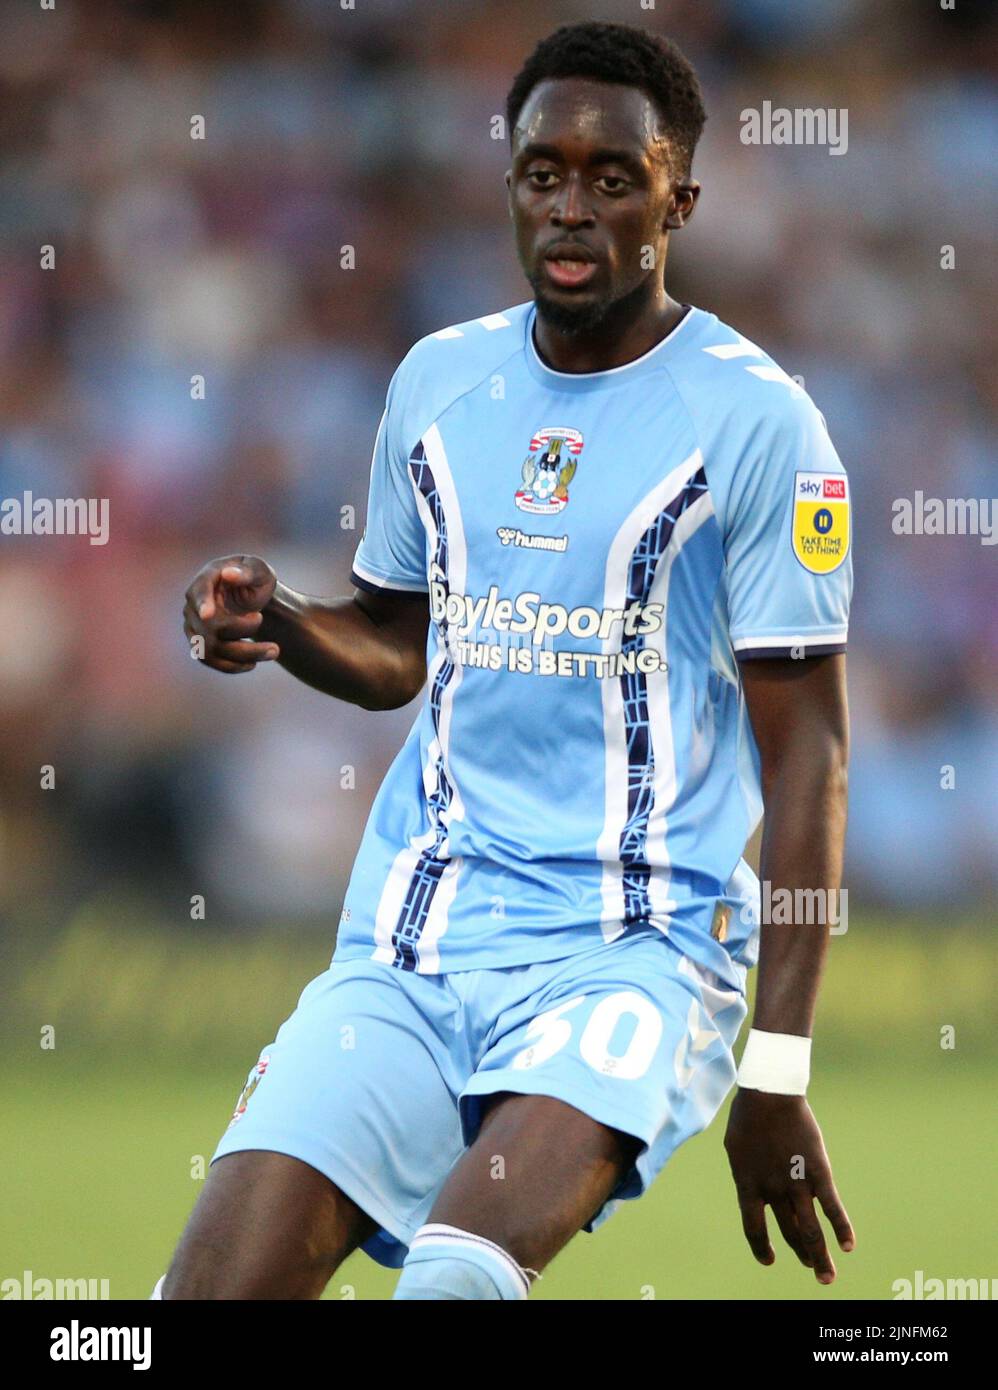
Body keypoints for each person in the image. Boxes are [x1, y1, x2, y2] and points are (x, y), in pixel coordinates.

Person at [162, 20, 854, 1301]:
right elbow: (398, 649)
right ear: (511, 187)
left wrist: (777, 1069)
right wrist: (281, 623)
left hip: (633, 945)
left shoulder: (759, 422)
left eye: (612, 178)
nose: (571, 209)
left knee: (454, 1281)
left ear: (676, 198)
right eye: (544, 174)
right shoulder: (437, 383)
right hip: (416, 935)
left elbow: (807, 746)